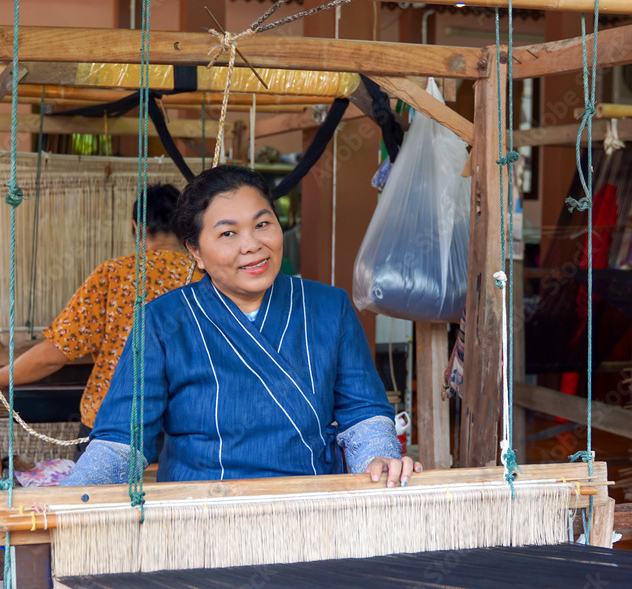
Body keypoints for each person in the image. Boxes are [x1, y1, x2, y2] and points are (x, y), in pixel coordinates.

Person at [63, 165, 420, 487]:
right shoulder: (161, 320)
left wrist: (378, 458)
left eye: (262, 224)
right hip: (201, 518)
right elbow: (122, 440)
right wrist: (73, 494)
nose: (252, 245)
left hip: (310, 508)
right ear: (196, 252)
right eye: (228, 234)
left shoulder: (330, 307)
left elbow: (363, 414)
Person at [0, 184, 198, 449]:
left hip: (114, 425)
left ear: (136, 226)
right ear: (186, 226)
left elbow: (54, 353)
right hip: (188, 425)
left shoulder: (114, 276)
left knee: (95, 491)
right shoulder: (205, 279)